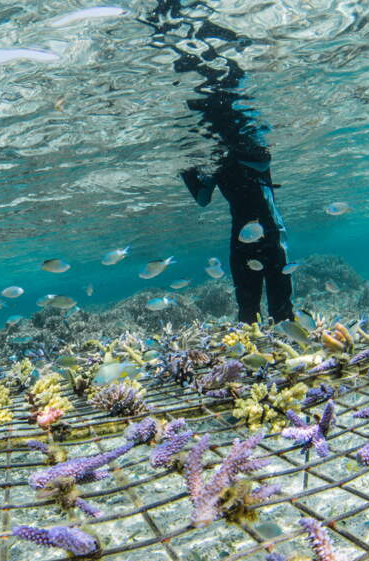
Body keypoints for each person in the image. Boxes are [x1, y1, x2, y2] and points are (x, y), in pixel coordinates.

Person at [143, 0, 295, 323]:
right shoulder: (216, 156)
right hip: (241, 235)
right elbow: (202, 199)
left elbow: (262, 164)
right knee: (247, 312)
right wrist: (192, 170)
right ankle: (173, 25)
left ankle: (199, 27)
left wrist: (223, 158)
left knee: (283, 310)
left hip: (267, 228)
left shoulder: (243, 147)